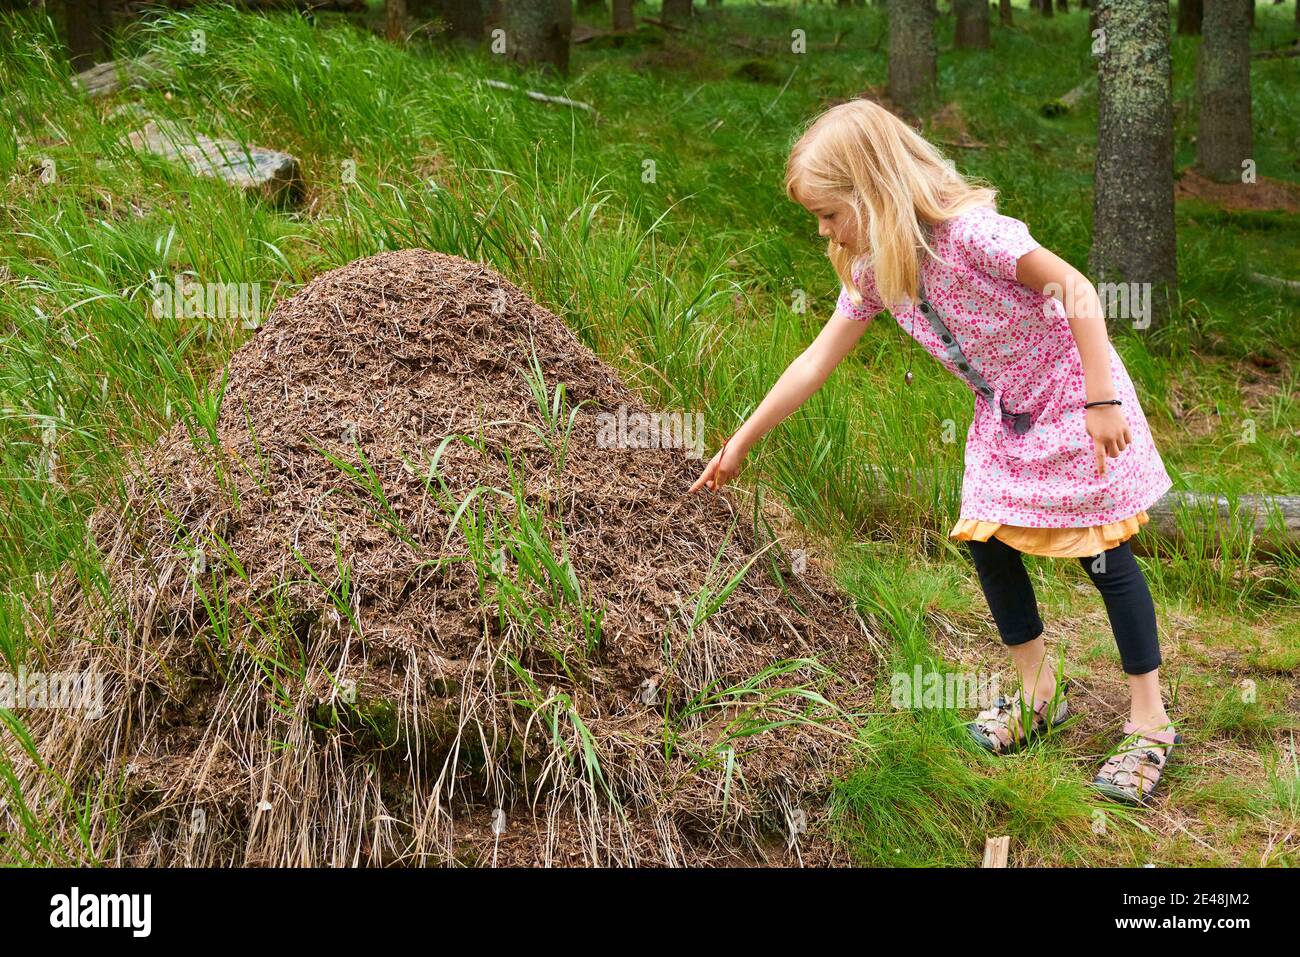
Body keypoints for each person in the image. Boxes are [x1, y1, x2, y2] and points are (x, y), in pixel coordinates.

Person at [689, 99, 1180, 805]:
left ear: (872, 187)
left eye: (831, 213)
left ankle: (1149, 721)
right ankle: (1040, 693)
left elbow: (1076, 289)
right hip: (1004, 410)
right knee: (986, 536)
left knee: (1104, 550)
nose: (825, 230)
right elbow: (814, 361)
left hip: (1074, 388)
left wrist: (1100, 399)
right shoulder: (873, 268)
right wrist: (741, 441)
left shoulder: (973, 235)